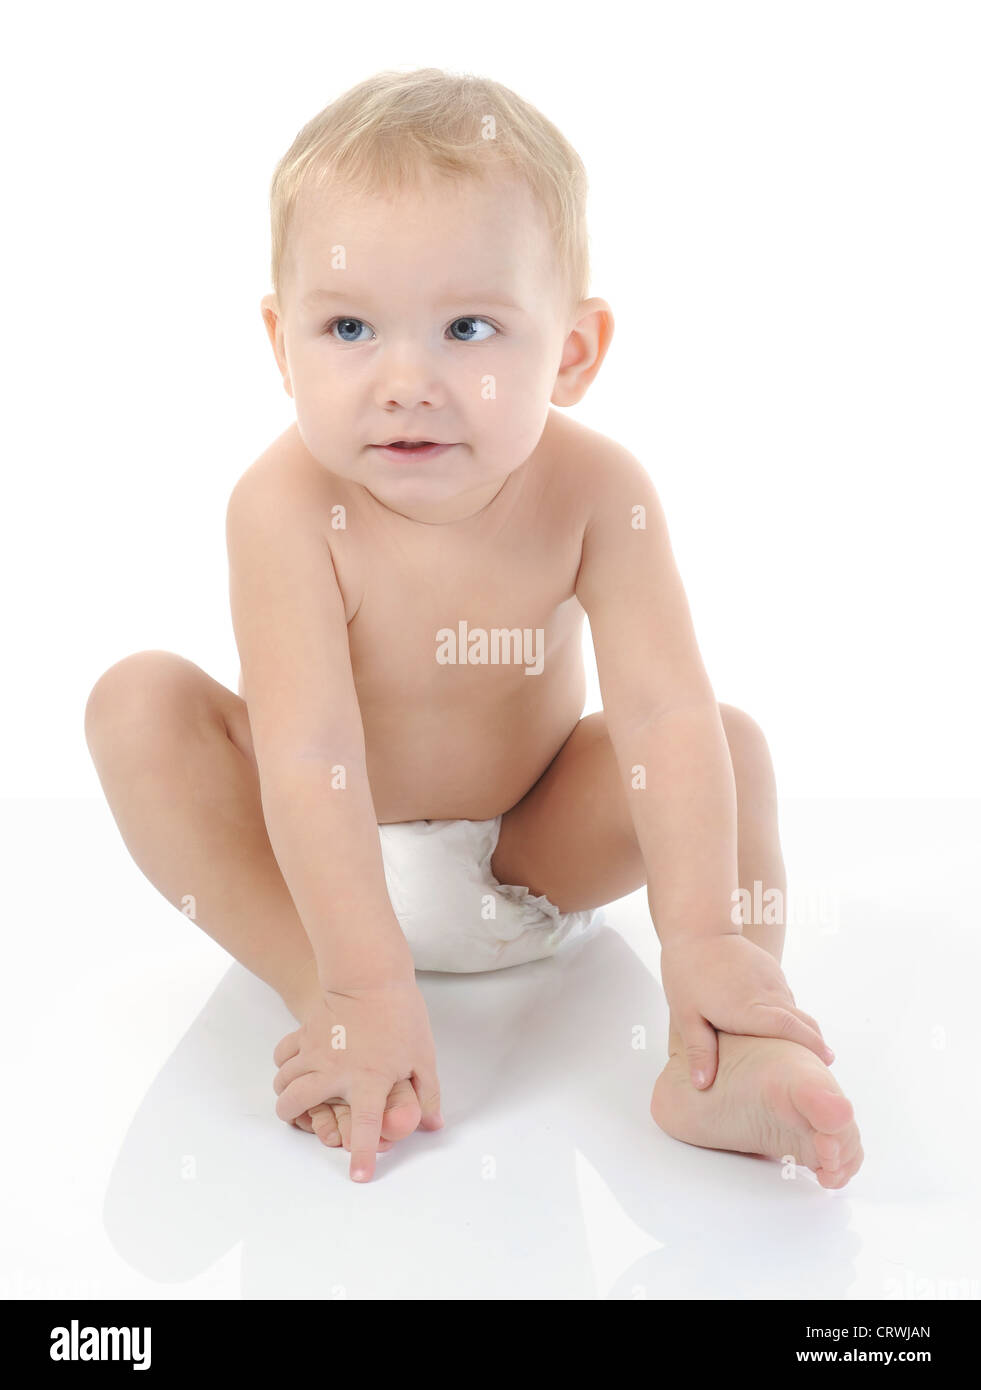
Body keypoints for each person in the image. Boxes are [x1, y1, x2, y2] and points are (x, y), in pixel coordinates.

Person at [85, 67, 863, 1188]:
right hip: (314, 878)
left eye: (468, 327)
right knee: (136, 703)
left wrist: (697, 934)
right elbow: (308, 753)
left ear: (573, 353)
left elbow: (660, 708)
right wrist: (360, 983)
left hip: (528, 858)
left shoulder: (600, 489)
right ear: (279, 343)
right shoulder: (287, 505)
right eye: (350, 326)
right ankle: (332, 1004)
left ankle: (732, 1038)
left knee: (727, 740)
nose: (407, 380)